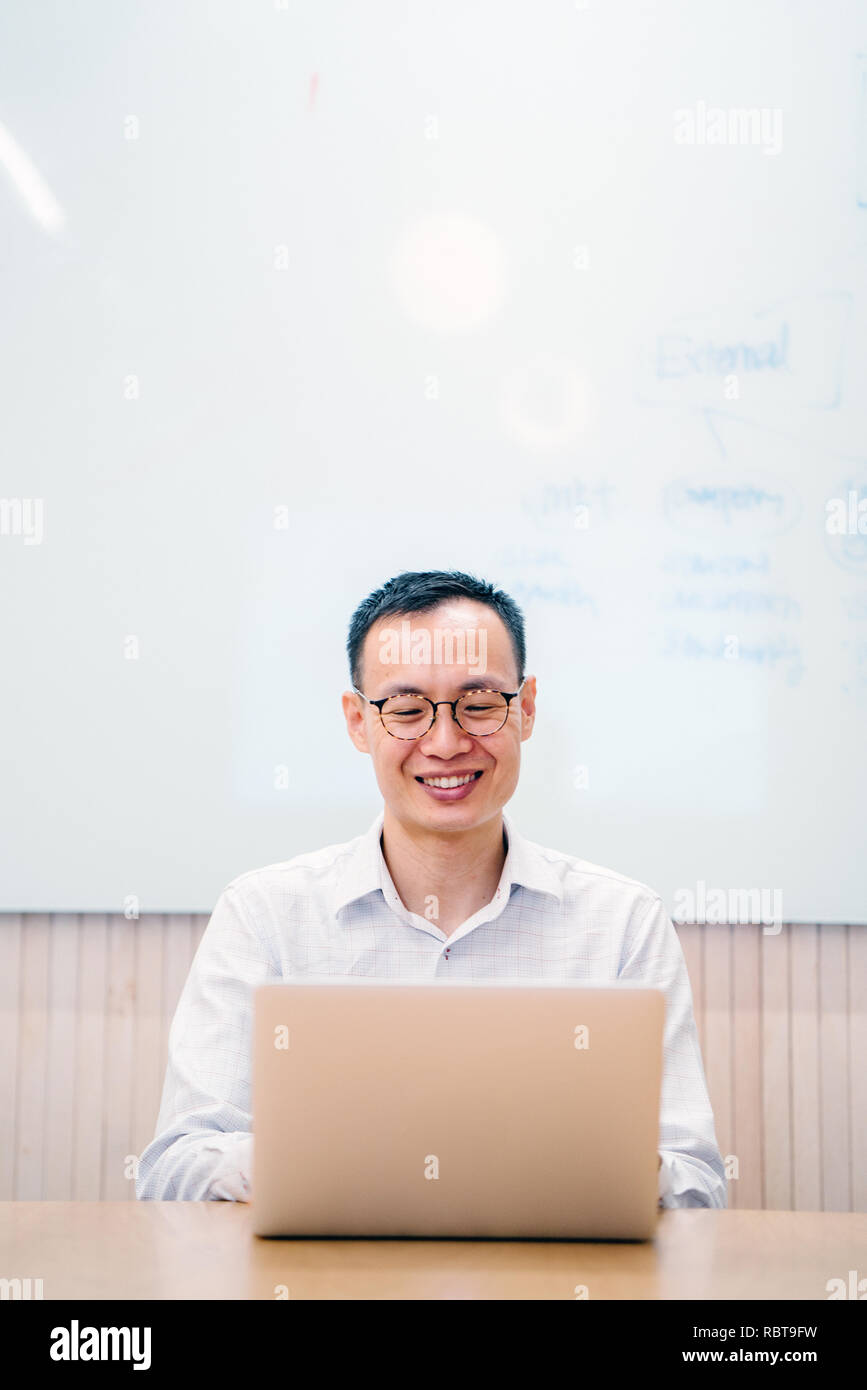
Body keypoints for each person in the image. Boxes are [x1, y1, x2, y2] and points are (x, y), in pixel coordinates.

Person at [136, 569, 726, 1208]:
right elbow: (174, 1168)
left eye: (478, 706)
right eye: (408, 710)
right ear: (359, 722)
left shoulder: (621, 922)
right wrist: (337, 1160)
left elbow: (697, 1186)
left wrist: (577, 1168)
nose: (445, 744)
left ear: (525, 710)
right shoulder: (265, 914)